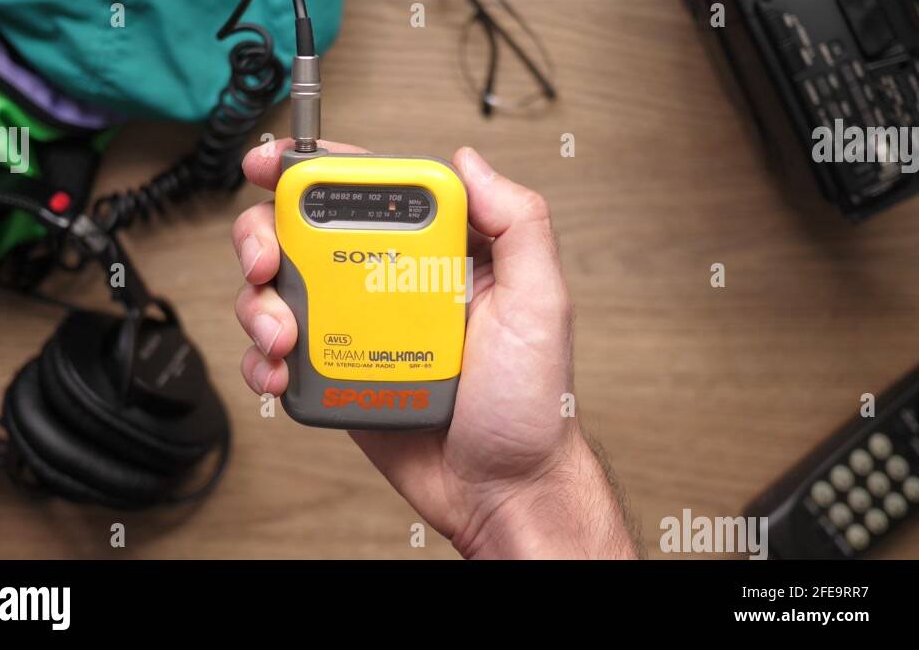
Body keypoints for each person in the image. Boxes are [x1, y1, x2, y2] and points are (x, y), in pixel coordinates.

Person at [233, 139, 639, 559]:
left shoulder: (405, 188)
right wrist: (522, 490)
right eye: (339, 207)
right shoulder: (414, 188)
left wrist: (523, 482)